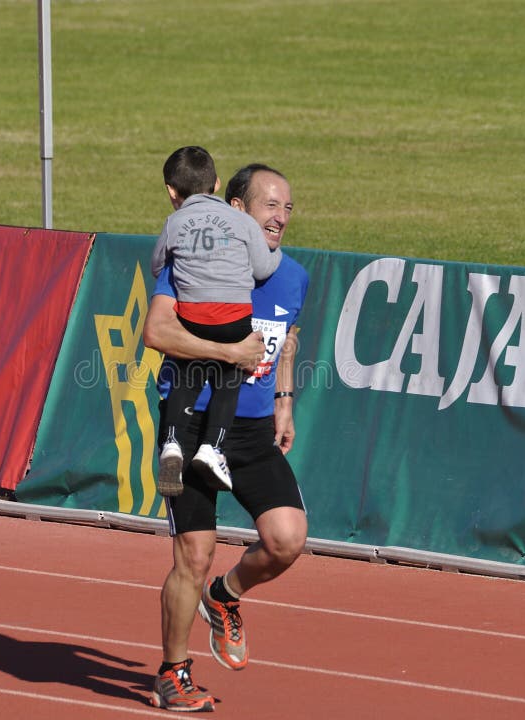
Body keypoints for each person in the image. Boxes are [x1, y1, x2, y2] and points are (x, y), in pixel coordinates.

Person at [143, 164, 309, 712]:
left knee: (287, 538)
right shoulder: (195, 261)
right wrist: (229, 353)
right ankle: (172, 672)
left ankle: (226, 595)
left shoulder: (293, 276)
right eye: (269, 205)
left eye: (287, 207)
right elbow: (159, 331)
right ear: (236, 208)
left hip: (254, 429)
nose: (280, 217)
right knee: (194, 554)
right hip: (191, 427)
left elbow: (287, 338)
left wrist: (284, 401)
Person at [151, 147, 282, 498]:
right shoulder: (240, 221)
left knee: (185, 373)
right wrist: (276, 252)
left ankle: (173, 443)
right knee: (229, 379)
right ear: (217, 183)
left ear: (171, 192)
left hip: (193, 314)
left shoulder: (174, 222)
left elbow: (158, 263)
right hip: (234, 316)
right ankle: (213, 448)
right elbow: (262, 268)